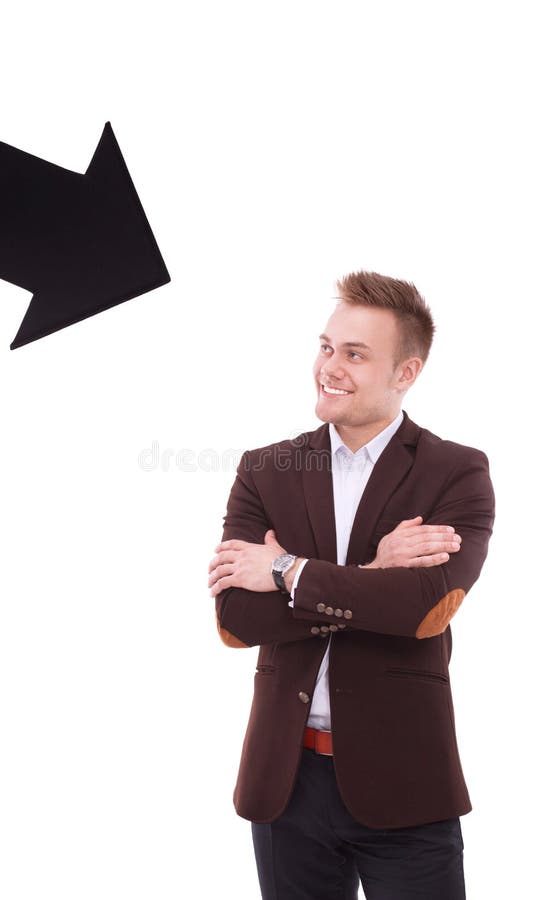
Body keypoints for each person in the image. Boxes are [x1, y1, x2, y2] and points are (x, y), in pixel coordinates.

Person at [208, 271, 495, 900]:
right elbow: (237, 618)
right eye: (326, 346)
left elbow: (422, 610)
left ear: (406, 373)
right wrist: (370, 577)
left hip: (407, 783)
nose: (329, 367)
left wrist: (285, 571)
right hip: (286, 783)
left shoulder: (456, 472)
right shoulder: (268, 468)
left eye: (356, 354)